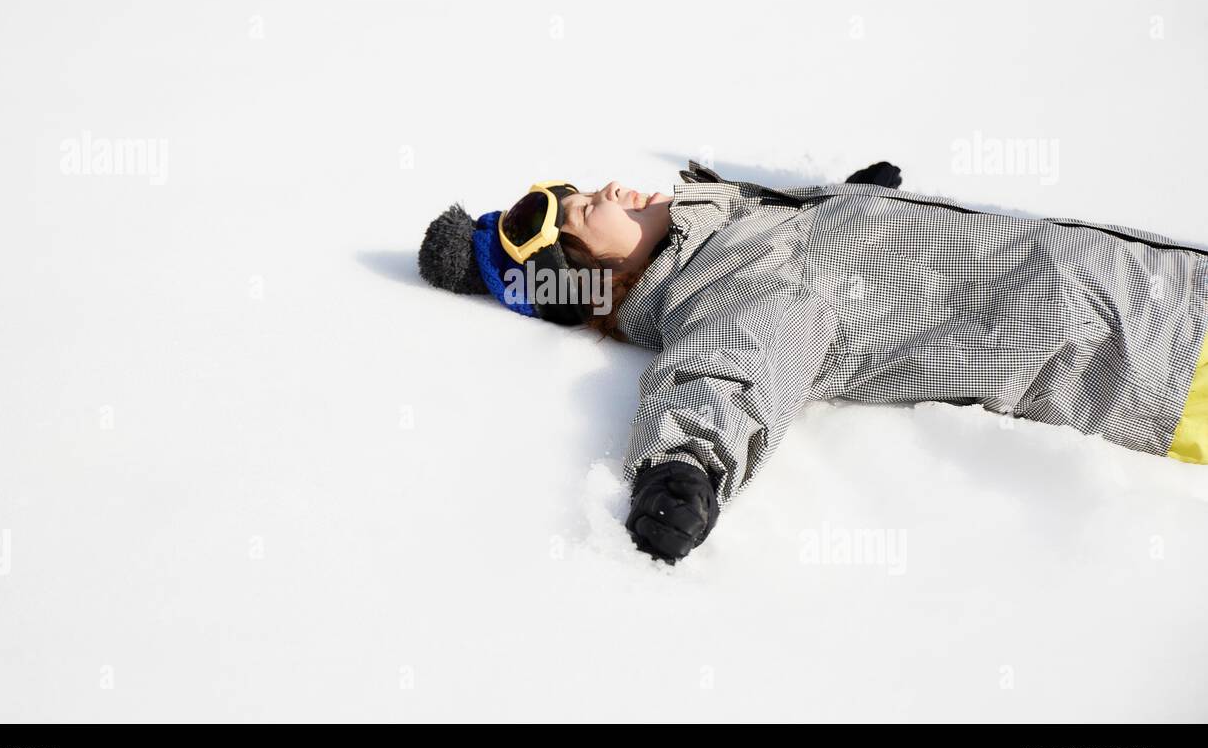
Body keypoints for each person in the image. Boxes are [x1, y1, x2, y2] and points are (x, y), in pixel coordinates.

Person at [417, 161, 1208, 563]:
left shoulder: (730, 225)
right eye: (595, 210)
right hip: (1157, 357)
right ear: (602, 282)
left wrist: (849, 205)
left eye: (589, 188)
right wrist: (683, 470)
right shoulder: (727, 282)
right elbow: (731, 368)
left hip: (1165, 292)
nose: (615, 187)